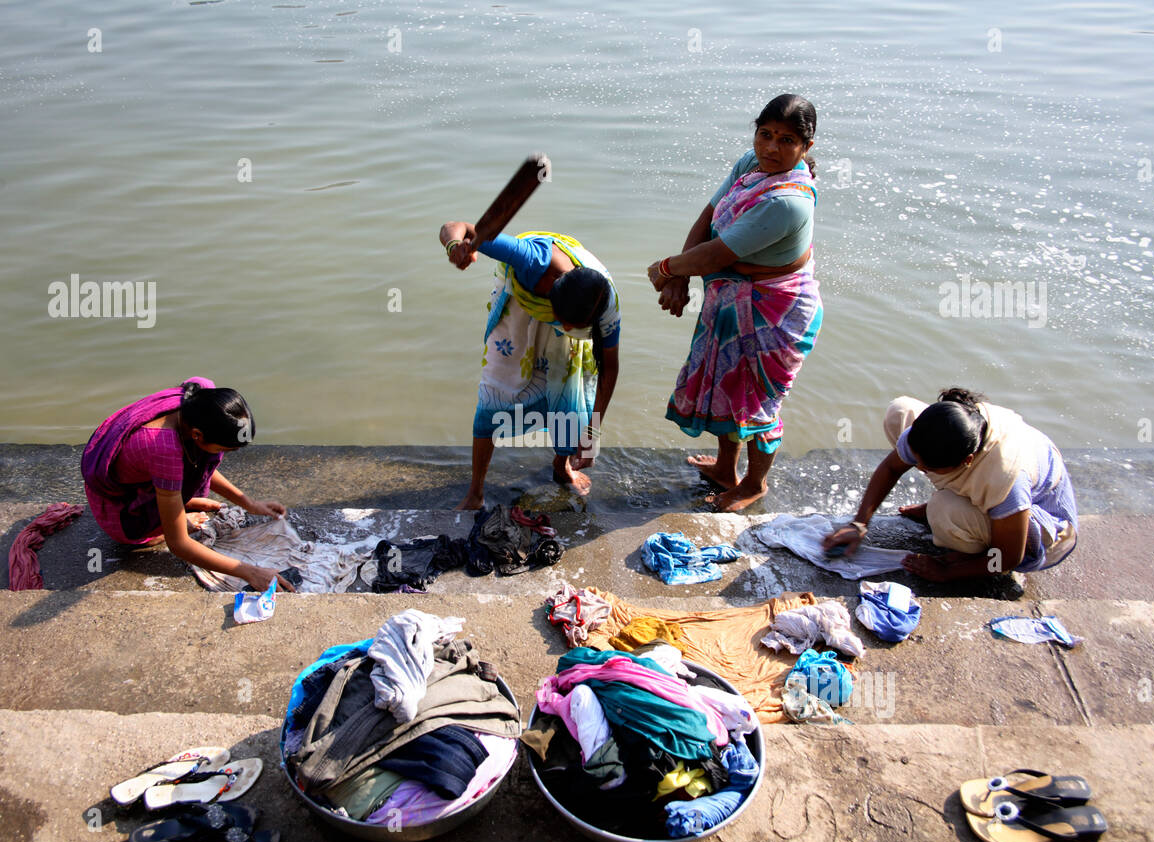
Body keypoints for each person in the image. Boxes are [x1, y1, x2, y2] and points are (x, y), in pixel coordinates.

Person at [649, 93, 823, 512]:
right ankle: (726, 469)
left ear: (806, 148)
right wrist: (678, 281)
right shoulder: (750, 165)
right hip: (731, 296)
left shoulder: (787, 201)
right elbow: (707, 218)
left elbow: (716, 254)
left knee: (760, 401)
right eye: (765, 135)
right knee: (727, 387)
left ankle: (754, 484)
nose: (771, 148)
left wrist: (667, 270)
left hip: (774, 310)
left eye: (786, 140)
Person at [439, 222, 620, 510]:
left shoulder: (605, 308)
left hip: (569, 322)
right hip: (519, 312)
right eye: (565, 322)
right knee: (492, 397)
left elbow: (609, 369)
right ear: (552, 300)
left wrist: (592, 435)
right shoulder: (529, 258)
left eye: (577, 326)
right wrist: (454, 246)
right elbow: (456, 226)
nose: (570, 327)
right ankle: (475, 493)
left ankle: (562, 466)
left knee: (564, 392)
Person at [821, 388, 1079, 582]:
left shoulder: (1006, 477)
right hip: (991, 482)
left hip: (1042, 533)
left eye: (929, 467)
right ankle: (970, 504)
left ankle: (970, 538)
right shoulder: (954, 424)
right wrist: (859, 523)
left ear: (967, 460)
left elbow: (1009, 558)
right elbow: (890, 467)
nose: (919, 469)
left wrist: (948, 571)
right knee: (900, 411)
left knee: (943, 509)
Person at [81, 376, 294, 591]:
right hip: (120, 508)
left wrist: (249, 503)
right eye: (224, 449)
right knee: (155, 531)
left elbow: (202, 463)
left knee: (193, 461)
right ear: (197, 435)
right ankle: (166, 515)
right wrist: (251, 572)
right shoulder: (164, 449)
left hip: (146, 472)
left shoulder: (200, 393)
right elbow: (179, 545)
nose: (224, 455)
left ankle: (175, 501)